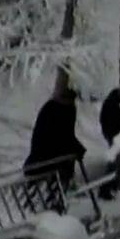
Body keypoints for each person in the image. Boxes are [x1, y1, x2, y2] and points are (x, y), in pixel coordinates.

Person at [28, 76, 85, 207]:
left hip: (51, 158)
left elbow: (65, 135)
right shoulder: (57, 109)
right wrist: (76, 149)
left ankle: (55, 202)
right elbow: (60, 136)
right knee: (56, 185)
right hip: (46, 159)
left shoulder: (62, 108)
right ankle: (54, 204)